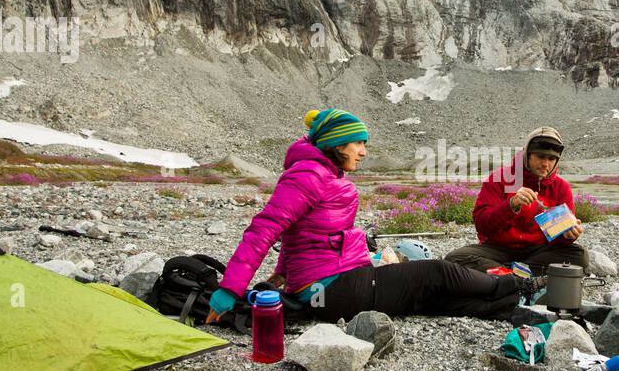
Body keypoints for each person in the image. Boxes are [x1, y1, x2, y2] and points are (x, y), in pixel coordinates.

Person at [207, 109, 538, 324]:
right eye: (358, 143)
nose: (364, 152)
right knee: (436, 272)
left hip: (332, 282)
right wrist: (229, 291)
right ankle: (512, 285)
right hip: (327, 290)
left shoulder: (324, 175)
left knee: (424, 298)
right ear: (337, 143)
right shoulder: (307, 176)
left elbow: (299, 234)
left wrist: (281, 274)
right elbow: (265, 228)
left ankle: (509, 310)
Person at [444, 126, 589, 275]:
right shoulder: (499, 178)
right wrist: (511, 205)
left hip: (537, 252)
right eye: (540, 156)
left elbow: (558, 241)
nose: (546, 164)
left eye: (551, 159)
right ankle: (522, 275)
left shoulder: (561, 187)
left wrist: (568, 236)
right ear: (527, 155)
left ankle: (508, 273)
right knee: (455, 258)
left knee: (580, 255)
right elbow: (482, 226)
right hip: (497, 249)